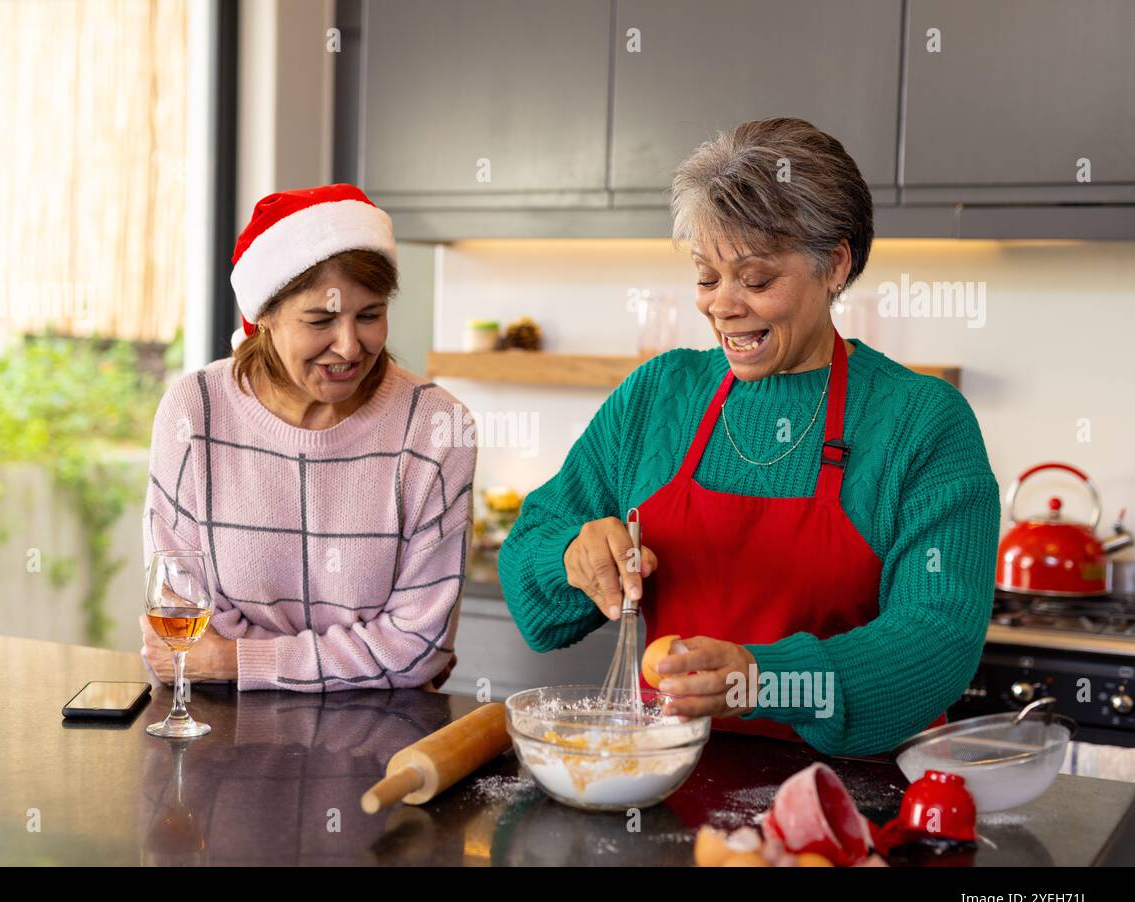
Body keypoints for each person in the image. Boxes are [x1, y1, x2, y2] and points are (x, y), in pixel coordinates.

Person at [498, 118, 1000, 756]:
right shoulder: (658, 395)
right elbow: (526, 581)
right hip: (669, 778)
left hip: (851, 799)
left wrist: (765, 682)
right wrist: (571, 555)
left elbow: (938, 639)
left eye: (756, 281)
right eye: (707, 277)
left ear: (835, 265)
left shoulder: (922, 422)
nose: (722, 305)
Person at [142, 184, 474, 691]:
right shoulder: (195, 413)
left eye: (370, 315)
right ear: (264, 317)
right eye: (320, 320)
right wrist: (361, 657)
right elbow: (181, 621)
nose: (349, 346)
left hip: (378, 741)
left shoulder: (436, 427)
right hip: (220, 730)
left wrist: (235, 661)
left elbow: (414, 649)